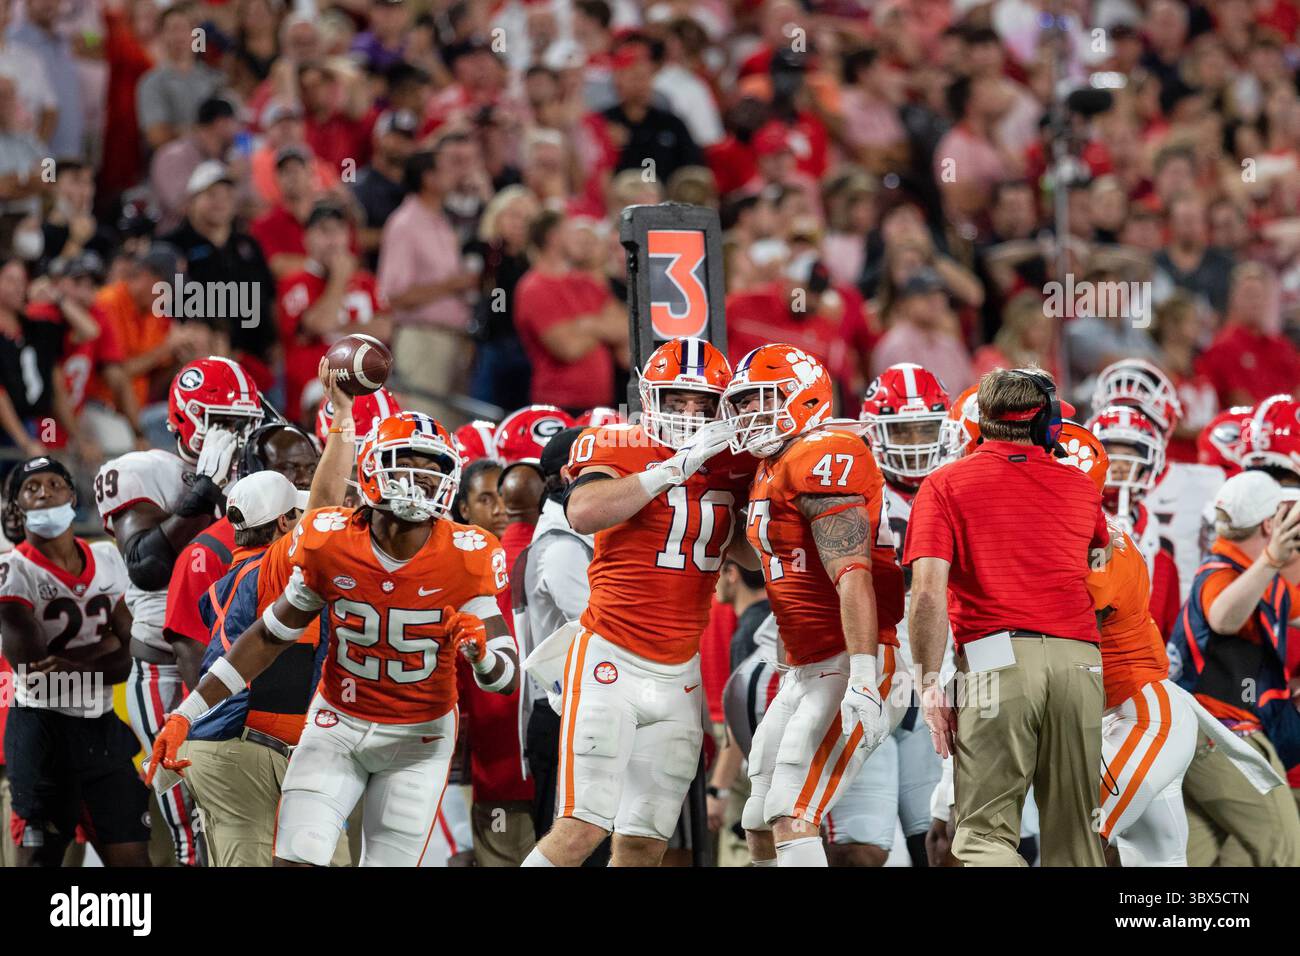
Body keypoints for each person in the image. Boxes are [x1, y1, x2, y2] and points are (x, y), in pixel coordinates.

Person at [147, 411, 519, 866]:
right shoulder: (332, 540)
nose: (421, 480)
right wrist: (186, 714)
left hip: (418, 737)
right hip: (336, 723)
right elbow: (268, 635)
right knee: (295, 860)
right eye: (409, 463)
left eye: (433, 469)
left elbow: (506, 676)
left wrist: (483, 660)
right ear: (373, 467)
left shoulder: (470, 552)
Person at [522, 337, 750, 867]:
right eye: (676, 400)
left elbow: (749, 556)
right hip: (611, 657)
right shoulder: (617, 442)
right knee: (581, 827)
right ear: (650, 399)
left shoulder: (731, 461)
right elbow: (584, 511)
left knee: (647, 842)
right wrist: (671, 468)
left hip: (680, 672)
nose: (690, 415)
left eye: (703, 403)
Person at [905, 368, 1110, 866]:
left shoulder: (944, 484)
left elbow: (928, 595)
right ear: (1048, 425)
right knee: (1078, 840)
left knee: (984, 837)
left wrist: (929, 681)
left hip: (995, 658)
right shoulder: (1082, 488)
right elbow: (1098, 570)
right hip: (1080, 661)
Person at [720, 344, 904, 867]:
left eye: (764, 398)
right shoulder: (771, 464)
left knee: (790, 811)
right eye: (746, 402)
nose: (753, 413)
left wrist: (865, 674)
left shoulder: (822, 453)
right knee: (757, 817)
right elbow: (758, 556)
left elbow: (853, 574)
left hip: (850, 659)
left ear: (805, 396)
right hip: (804, 664)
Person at [95, 356, 265, 865]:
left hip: (240, 664)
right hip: (167, 670)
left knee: (239, 818)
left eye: (241, 423)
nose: (233, 435)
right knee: (191, 825)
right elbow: (146, 565)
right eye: (221, 421)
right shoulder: (143, 470)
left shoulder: (256, 473)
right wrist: (202, 492)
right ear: (186, 419)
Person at [0, 456, 148, 866]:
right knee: (40, 860)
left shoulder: (106, 556)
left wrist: (77, 665)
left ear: (72, 494)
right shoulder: (12, 570)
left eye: (53, 483)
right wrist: (104, 649)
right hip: (42, 730)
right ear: (16, 507)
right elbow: (37, 672)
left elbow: (129, 655)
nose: (44, 491)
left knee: (133, 859)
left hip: (100, 729)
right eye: (32, 488)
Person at [849, 362, 958, 868]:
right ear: (875, 431)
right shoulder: (851, 485)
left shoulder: (961, 484)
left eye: (924, 428)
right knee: (859, 851)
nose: (915, 441)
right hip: (870, 673)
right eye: (903, 429)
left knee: (943, 842)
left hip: (936, 681)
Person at [1168, 470, 1300, 866]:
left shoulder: (1255, 576)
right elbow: (1224, 615)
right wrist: (1272, 560)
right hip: (1224, 736)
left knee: (1198, 859)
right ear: (1268, 524)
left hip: (1193, 741)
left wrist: (1268, 566)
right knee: (1286, 850)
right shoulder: (1220, 572)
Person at [1092, 358, 1225, 602]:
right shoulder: (1085, 488)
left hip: (1180, 614)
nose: (1128, 425)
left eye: (1141, 420)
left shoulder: (1206, 482)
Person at [517, 427, 594, 840]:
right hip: (564, 713)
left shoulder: (572, 533)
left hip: (578, 709)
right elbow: (599, 625)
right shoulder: (562, 543)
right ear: (572, 475)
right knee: (571, 846)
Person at [376, 143, 477, 423]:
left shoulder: (441, 220)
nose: (454, 174)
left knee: (454, 426)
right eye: (446, 168)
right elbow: (392, 295)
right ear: (428, 178)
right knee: (427, 423)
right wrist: (452, 285)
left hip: (452, 338)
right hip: (421, 337)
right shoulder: (404, 223)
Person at [514, 211, 627, 412]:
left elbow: (624, 327)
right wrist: (601, 327)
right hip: (558, 405)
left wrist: (588, 325)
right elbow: (568, 349)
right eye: (569, 231)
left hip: (600, 405)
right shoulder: (533, 288)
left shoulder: (584, 281)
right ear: (553, 237)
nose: (578, 238)